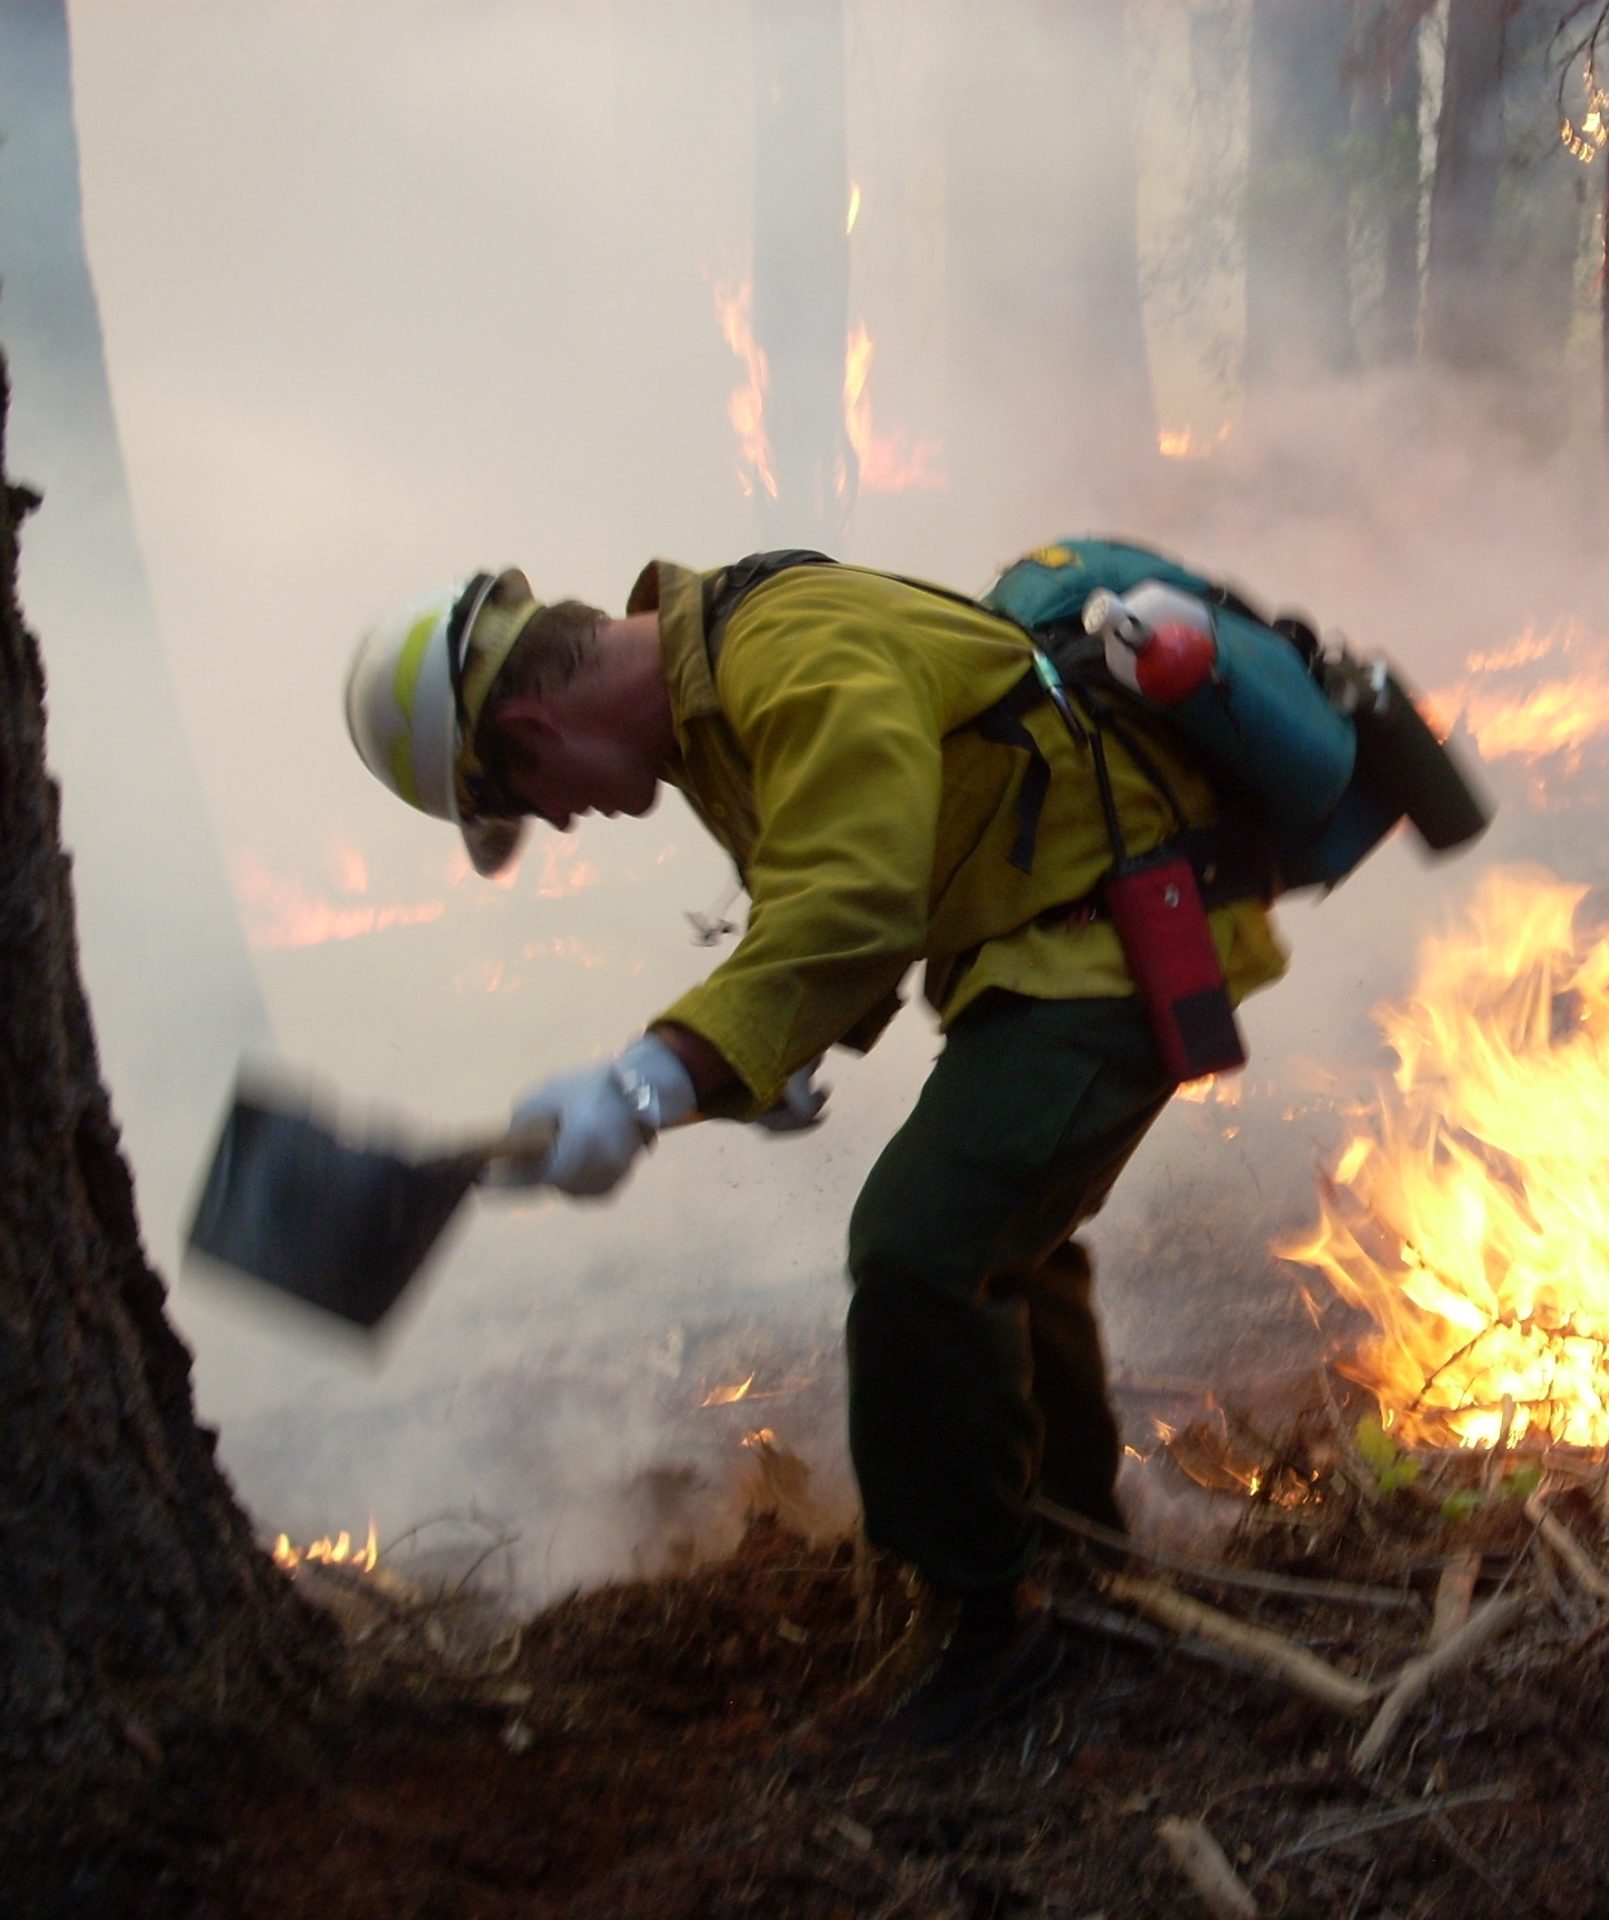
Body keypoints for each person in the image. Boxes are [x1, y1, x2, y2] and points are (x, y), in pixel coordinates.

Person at [342, 553, 1289, 1743]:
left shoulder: (787, 654)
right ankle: (1074, 1556)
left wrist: (645, 1081)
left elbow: (851, 903)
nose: (566, 823)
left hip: (1116, 940)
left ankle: (992, 1637)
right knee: (1001, 1240)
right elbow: (826, 887)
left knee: (917, 1249)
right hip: (1044, 946)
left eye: (536, 802)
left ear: (531, 727)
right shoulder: (714, 708)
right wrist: (755, 1061)